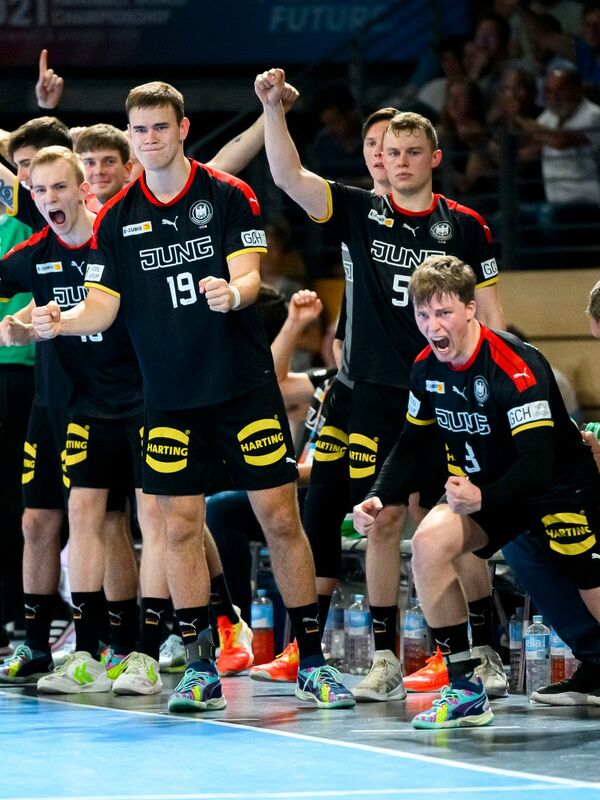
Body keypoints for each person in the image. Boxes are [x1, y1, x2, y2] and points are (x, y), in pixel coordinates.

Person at [31, 80, 355, 713]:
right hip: (168, 400)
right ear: (131, 138)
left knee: (280, 519)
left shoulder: (227, 193)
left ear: (182, 129)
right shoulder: (115, 219)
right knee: (177, 527)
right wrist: (59, 321)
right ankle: (199, 664)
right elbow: (102, 307)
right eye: (139, 130)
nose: (150, 139)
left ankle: (313, 661)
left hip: (242, 390)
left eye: (160, 127)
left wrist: (233, 294)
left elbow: (249, 274)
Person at [254, 68, 507, 703]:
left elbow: (492, 317)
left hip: (449, 394)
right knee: (382, 519)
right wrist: (273, 111)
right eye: (391, 152)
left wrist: (501, 390)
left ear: (434, 158)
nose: (400, 161)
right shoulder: (360, 210)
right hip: (374, 393)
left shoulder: (467, 226)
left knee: (457, 517)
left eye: (412, 152)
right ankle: (388, 659)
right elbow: (287, 176)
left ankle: (485, 653)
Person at [354, 254, 600, 728]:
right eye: (423, 314)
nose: (433, 326)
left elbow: (538, 460)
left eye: (444, 312)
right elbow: (411, 442)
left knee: (591, 588)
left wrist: (483, 499)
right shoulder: (426, 368)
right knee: (428, 544)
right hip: (491, 490)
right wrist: (379, 496)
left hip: (557, 486)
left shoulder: (515, 366)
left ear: (470, 309)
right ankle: (465, 689)